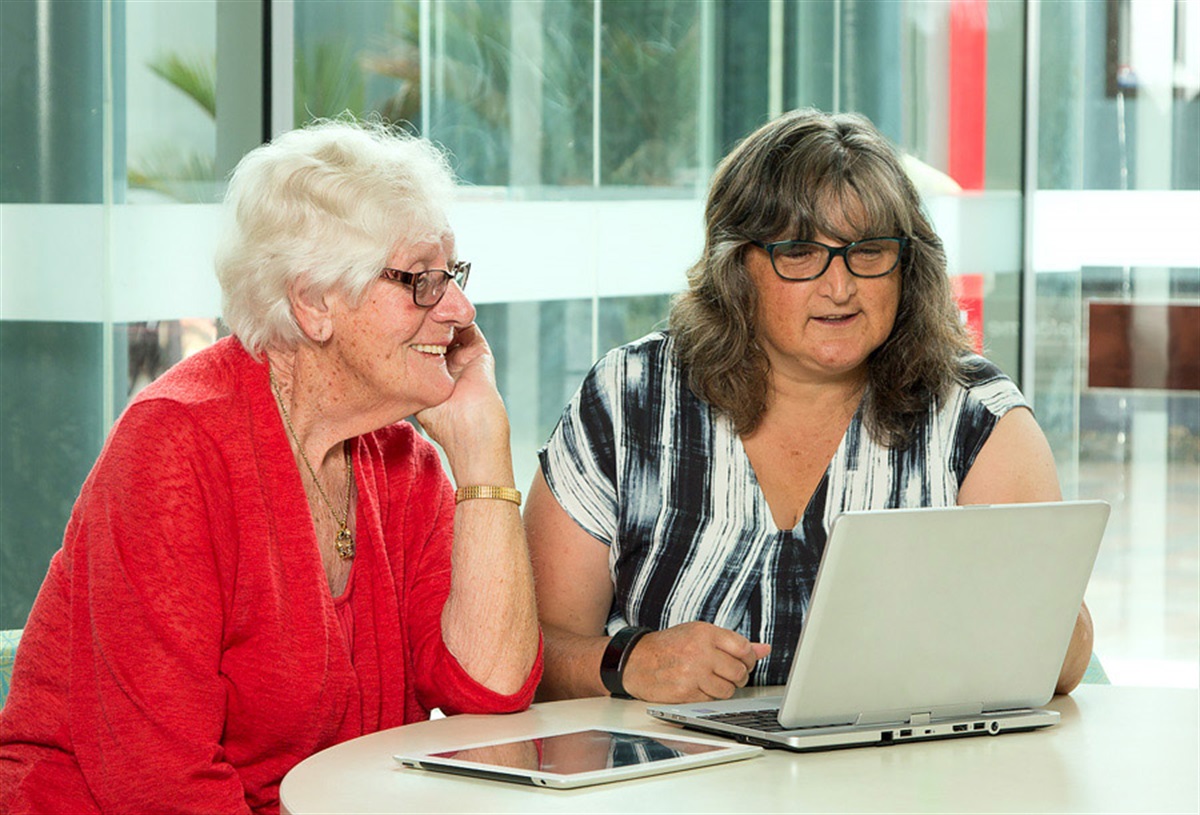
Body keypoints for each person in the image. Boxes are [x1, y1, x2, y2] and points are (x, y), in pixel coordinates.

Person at [0, 120, 542, 814]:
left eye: (454, 277)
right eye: (422, 282)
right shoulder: (175, 445)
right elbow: (160, 785)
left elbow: (490, 692)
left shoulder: (400, 460)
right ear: (313, 301)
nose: (461, 310)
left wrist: (483, 452)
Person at [525, 108, 1092, 704]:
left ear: (908, 265)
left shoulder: (977, 418)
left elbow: (1062, 661)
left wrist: (1046, 615)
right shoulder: (630, 397)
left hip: (904, 784)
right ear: (736, 265)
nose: (840, 286)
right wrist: (628, 663)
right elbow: (534, 647)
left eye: (868, 251)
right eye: (799, 253)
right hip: (673, 781)